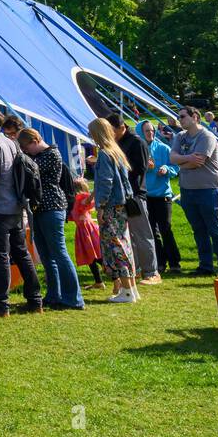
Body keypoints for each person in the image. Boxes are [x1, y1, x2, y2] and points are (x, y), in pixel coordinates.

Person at [0, 107, 42, 316]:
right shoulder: (11, 143)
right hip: (16, 208)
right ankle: (35, 299)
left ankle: (1, 304)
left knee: (0, 256)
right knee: (22, 254)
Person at [18, 129, 84, 310]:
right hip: (39, 209)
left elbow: (30, 169)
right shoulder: (40, 155)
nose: (25, 151)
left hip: (52, 208)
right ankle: (54, 295)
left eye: (25, 147)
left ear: (33, 140)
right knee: (47, 256)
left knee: (59, 253)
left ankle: (74, 298)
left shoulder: (51, 154)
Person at [170, 107, 218, 276]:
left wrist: (182, 161)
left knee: (216, 230)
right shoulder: (180, 136)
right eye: (179, 117)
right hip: (187, 190)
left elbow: (197, 162)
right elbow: (172, 158)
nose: (180, 120)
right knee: (198, 230)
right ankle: (205, 266)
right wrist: (187, 158)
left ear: (195, 117)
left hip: (209, 190)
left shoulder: (206, 136)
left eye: (182, 116)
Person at [89, 118, 140, 303]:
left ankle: (127, 291)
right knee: (124, 244)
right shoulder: (116, 151)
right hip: (122, 206)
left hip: (111, 206)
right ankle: (131, 289)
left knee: (116, 246)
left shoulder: (104, 153)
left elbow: (105, 182)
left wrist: (100, 206)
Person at [106, 113, 160, 286]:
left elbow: (140, 168)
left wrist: (118, 171)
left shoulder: (137, 142)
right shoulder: (117, 142)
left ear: (122, 127)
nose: (110, 135)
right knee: (127, 236)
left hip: (135, 195)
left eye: (112, 131)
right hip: (120, 195)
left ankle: (152, 272)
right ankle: (134, 270)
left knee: (142, 234)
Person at [139, 119, 181, 274]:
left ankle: (175, 262)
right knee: (151, 231)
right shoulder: (138, 149)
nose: (150, 133)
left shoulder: (163, 148)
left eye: (152, 130)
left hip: (163, 195)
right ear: (140, 133)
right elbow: (132, 170)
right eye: (147, 131)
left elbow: (176, 167)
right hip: (145, 195)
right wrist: (145, 168)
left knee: (166, 228)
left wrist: (166, 169)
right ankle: (160, 263)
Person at [69, 177, 105, 289]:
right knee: (90, 256)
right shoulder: (75, 200)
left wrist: (96, 190)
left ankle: (115, 275)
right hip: (82, 230)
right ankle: (99, 281)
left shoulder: (80, 197)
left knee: (94, 255)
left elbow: (88, 201)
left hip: (86, 230)